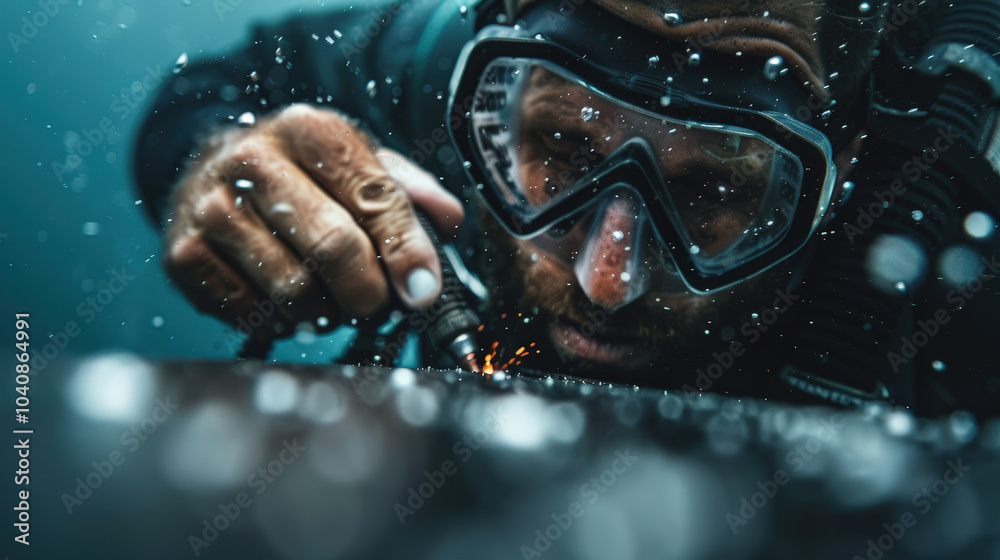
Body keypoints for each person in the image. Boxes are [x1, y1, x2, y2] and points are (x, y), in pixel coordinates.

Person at [133, 0, 1000, 414]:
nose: (607, 279)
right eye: (564, 148)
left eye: (711, 191)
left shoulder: (958, 274)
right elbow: (221, 88)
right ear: (486, 72)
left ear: (844, 165)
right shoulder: (451, 80)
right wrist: (212, 163)